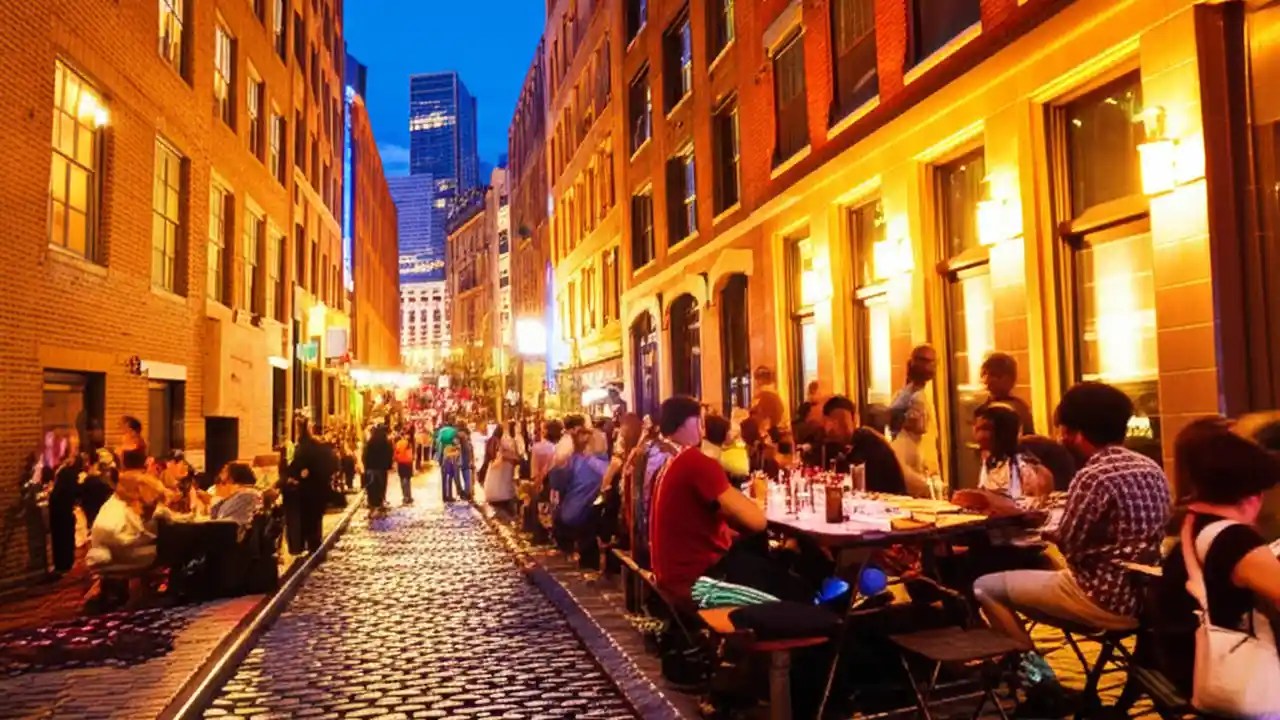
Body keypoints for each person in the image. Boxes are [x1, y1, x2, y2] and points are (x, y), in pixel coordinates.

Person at [973, 382, 1171, 650]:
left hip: (1098, 597)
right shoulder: (1151, 468)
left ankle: (1035, 676)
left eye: (1062, 429)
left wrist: (1042, 524)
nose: (1060, 437)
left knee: (985, 586)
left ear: (1074, 432)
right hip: (1145, 597)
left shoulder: (1093, 475)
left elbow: (1069, 544)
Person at [1150, 417, 1280, 699]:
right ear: (1253, 496)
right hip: (1232, 676)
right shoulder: (1234, 540)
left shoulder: (1194, 521)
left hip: (1185, 661)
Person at [648, 396, 771, 604]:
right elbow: (758, 522)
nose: (703, 428)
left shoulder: (668, 458)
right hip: (697, 581)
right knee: (790, 595)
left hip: (673, 573)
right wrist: (757, 501)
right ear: (691, 422)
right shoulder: (695, 462)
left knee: (766, 568)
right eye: (701, 420)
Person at [812, 396, 908, 495]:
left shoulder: (871, 445)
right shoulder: (826, 448)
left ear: (855, 421)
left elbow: (871, 488)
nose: (835, 428)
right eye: (832, 422)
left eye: (842, 422)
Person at [965, 403, 1052, 504]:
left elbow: (1031, 506)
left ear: (1003, 433)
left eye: (985, 429)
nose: (977, 434)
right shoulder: (989, 461)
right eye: (976, 427)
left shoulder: (1025, 468)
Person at [549, 427, 610, 569]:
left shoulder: (582, 461)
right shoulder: (588, 461)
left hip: (577, 514)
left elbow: (558, 484)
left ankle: (576, 557)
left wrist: (559, 466)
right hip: (585, 514)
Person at [889, 345, 940, 478]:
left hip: (923, 468)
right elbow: (918, 426)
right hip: (914, 471)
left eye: (933, 362)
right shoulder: (910, 396)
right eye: (925, 361)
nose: (931, 366)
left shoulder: (923, 394)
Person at [290, 422, 335, 552]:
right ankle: (314, 542)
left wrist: (299, 475)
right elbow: (330, 464)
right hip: (318, 488)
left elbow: (295, 467)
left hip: (306, 489)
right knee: (315, 517)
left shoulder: (302, 449)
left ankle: (309, 543)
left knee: (307, 516)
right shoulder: (319, 448)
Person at [976, 353, 1035, 435]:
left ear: (1009, 379)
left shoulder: (1019, 409)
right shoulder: (982, 408)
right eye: (984, 374)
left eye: (994, 375)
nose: (987, 379)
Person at [210, 462, 265, 531]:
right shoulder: (245, 493)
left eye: (225, 470)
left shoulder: (247, 495)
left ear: (232, 477)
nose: (222, 470)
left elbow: (221, 517)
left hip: (235, 536)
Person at [363, 424, 394, 516]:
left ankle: (372, 504)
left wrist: (366, 466)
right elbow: (389, 455)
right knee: (381, 486)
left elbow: (365, 455)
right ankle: (380, 502)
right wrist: (388, 466)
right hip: (381, 469)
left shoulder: (370, 442)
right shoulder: (386, 442)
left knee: (372, 487)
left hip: (371, 468)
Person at [748, 366, 786, 432]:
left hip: (767, 432)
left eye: (757, 379)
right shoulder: (775, 395)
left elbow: (758, 416)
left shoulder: (764, 396)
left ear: (762, 380)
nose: (756, 382)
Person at [394, 426, 415, 506]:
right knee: (407, 480)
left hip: (401, 463)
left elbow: (395, 454)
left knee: (402, 479)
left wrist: (397, 460)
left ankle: (405, 496)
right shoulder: (408, 443)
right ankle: (408, 496)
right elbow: (411, 454)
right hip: (408, 463)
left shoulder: (398, 443)